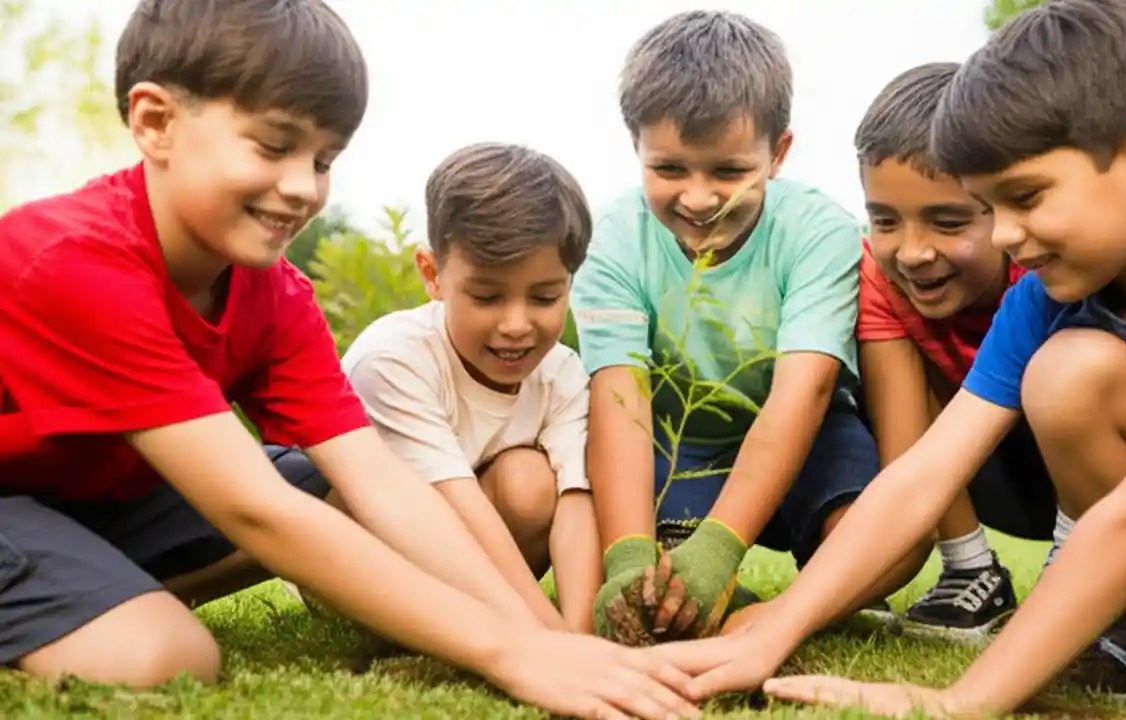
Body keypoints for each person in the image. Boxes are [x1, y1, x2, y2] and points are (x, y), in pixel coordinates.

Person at [0, 3, 699, 718]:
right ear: (155, 123)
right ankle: (101, 598)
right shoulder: (76, 262)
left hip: (107, 499)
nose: (304, 186)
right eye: (274, 147)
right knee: (159, 656)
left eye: (323, 159)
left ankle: (95, 581)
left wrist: (545, 636)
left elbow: (377, 481)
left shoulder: (274, 293)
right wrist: (511, 654)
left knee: (348, 504)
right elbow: (253, 507)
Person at [661, 0, 1126, 714]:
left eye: (1026, 197)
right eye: (991, 207)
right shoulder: (1044, 298)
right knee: (1069, 373)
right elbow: (920, 476)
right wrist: (775, 630)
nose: (1008, 235)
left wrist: (961, 703)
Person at [571, 9, 891, 645]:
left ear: (778, 154)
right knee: (646, 561)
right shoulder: (610, 239)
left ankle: (793, 602)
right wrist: (629, 557)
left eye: (726, 172)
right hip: (676, 440)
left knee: (881, 539)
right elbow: (619, 401)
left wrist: (719, 547)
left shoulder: (819, 232)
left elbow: (807, 392)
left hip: (804, 432)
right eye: (668, 170)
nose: (697, 198)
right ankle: (730, 607)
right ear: (635, 147)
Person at [340, 142, 601, 635]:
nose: (516, 324)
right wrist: (552, 640)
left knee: (530, 482)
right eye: (486, 296)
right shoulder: (394, 358)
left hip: (477, 573)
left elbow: (575, 501)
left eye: (545, 297)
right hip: (371, 561)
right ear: (433, 274)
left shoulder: (563, 375)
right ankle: (505, 624)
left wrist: (581, 632)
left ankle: (502, 620)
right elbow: (453, 507)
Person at [853, 62, 1057, 642]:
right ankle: (971, 570)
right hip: (970, 467)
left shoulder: (1044, 267)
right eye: (886, 220)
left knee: (1071, 370)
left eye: (947, 222)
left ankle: (1083, 564)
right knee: (889, 369)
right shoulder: (880, 277)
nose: (913, 253)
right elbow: (904, 449)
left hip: (1079, 460)